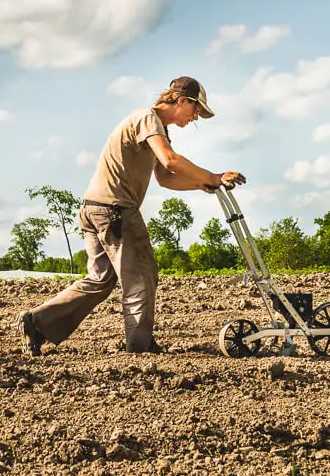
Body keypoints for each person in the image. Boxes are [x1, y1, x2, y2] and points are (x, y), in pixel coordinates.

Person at [17, 76, 245, 356]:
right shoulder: (148, 119)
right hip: (116, 210)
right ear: (182, 100)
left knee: (101, 279)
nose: (195, 117)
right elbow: (170, 160)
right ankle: (140, 348)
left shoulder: (155, 128)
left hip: (94, 208)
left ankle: (37, 323)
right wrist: (214, 176)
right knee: (141, 277)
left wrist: (203, 184)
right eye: (195, 110)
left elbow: (165, 178)